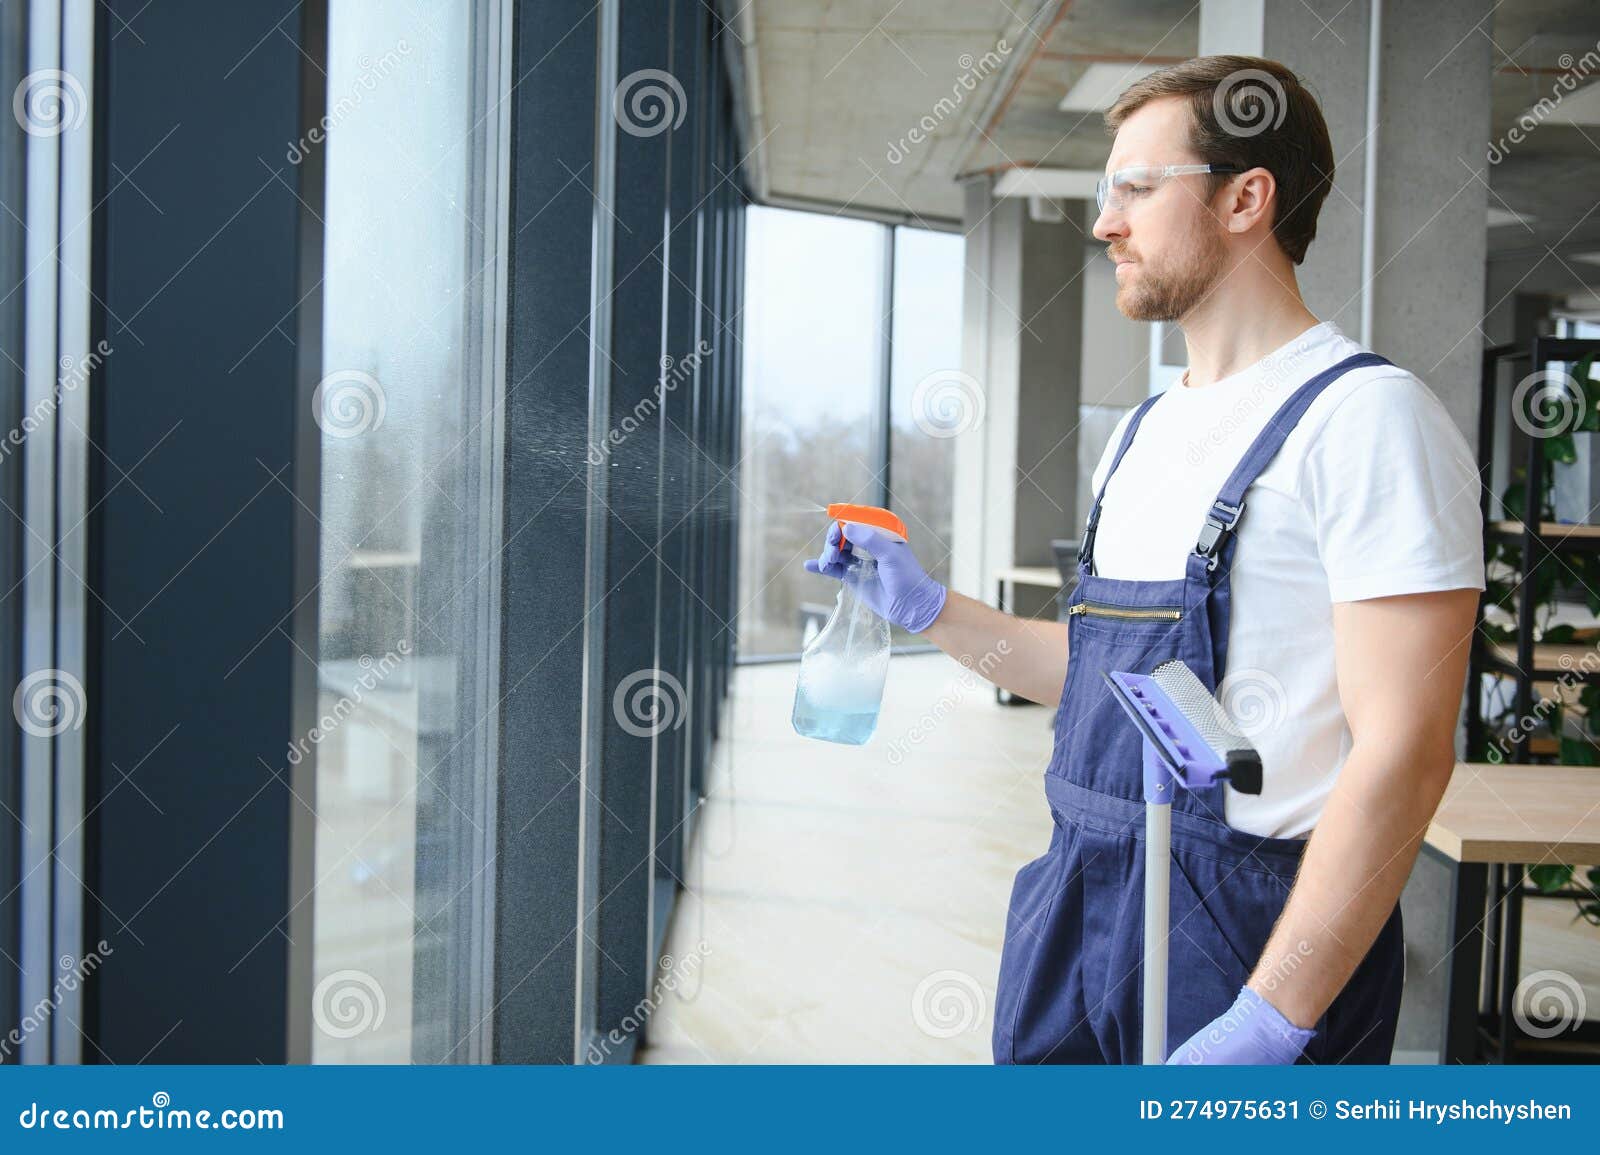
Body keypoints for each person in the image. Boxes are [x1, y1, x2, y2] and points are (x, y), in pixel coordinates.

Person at [804, 54, 1484, 1064]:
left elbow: (1406, 751)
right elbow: (1102, 683)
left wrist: (1274, 1014)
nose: (1104, 222)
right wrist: (929, 607)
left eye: (1134, 187)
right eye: (1103, 191)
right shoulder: (1141, 434)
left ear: (1246, 198)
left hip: (1243, 932)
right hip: (1078, 902)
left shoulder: (1367, 421)